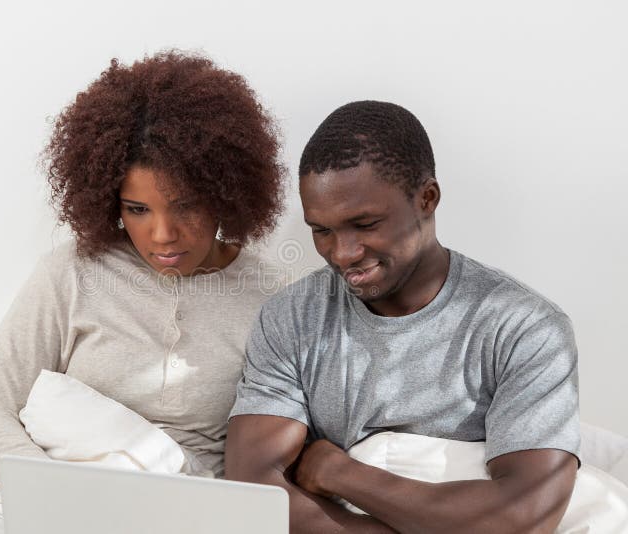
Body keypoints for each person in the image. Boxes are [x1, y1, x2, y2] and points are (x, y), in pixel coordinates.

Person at [225, 101, 579, 533]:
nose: (342, 253)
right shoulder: (289, 319)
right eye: (322, 230)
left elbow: (526, 515)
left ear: (426, 198)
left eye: (366, 223)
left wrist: (340, 473)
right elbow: (251, 492)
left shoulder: (524, 328)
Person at [0, 51, 286, 486]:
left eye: (186, 206)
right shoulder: (74, 272)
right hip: (64, 493)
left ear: (225, 194)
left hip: (195, 505)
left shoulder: (270, 296)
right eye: (138, 209)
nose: (163, 234)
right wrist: (42, 491)